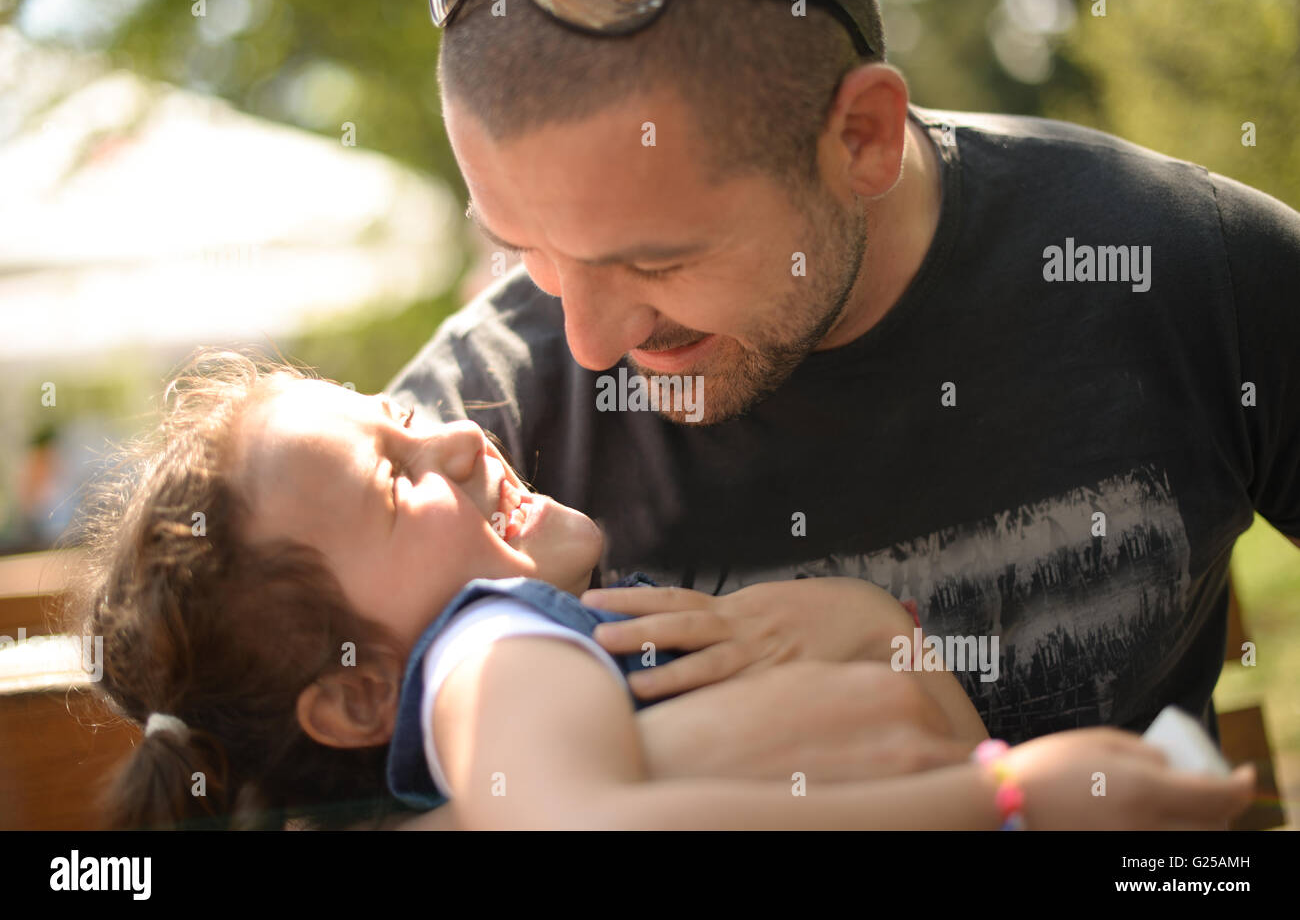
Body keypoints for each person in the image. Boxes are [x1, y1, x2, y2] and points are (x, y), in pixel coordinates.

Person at [389, 0, 1300, 749]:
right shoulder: (455, 453)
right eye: (524, 248)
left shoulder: (1176, 270)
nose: (590, 342)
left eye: (656, 261)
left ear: (860, 135)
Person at [64, 351, 1252, 829]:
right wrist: (1000, 792)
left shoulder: (526, 638)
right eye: (392, 480)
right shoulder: (485, 650)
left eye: (408, 416)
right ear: (359, 687)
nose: (461, 441)